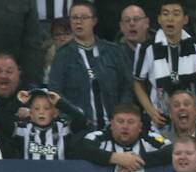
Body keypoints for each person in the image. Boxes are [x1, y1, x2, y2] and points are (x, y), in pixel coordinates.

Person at [49, 1, 134, 133]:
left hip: (114, 129)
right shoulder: (62, 55)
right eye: (74, 18)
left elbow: (127, 87)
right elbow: (55, 92)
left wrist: (121, 115)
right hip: (77, 130)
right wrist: (74, 118)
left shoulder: (114, 51)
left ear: (94, 21)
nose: (78, 22)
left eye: (84, 17)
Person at [130, 0, 196, 131]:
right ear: (159, 19)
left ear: (185, 19)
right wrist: (151, 111)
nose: (170, 19)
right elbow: (137, 83)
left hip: (190, 119)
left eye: (176, 14)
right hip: (161, 120)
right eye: (165, 14)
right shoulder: (146, 48)